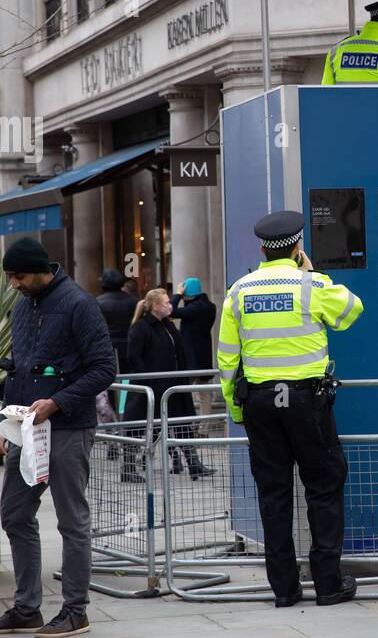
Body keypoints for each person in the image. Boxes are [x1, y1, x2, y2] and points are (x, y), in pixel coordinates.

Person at [217, 209, 363, 607]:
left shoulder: (239, 291)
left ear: (262, 248)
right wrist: (315, 274)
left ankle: (284, 588)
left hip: (261, 405)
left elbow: (227, 361)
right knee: (324, 486)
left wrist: (236, 410)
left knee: (273, 493)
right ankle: (328, 583)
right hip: (308, 402)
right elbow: (353, 311)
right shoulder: (312, 284)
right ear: (298, 247)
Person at [0, 237, 115, 638]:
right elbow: (18, 367)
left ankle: (75, 610)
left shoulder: (79, 304)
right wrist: (6, 423)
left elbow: (104, 368)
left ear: (40, 269)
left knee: (71, 521)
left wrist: (58, 402)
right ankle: (27, 608)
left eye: (19, 276)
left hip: (68, 426)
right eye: (10, 277)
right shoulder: (24, 304)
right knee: (14, 514)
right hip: (25, 430)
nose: (13, 283)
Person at [122, 288, 215, 483]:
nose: (170, 306)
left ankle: (193, 463)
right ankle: (128, 467)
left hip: (173, 387)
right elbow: (134, 358)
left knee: (182, 424)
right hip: (151, 389)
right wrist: (148, 382)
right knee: (143, 428)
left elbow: (176, 352)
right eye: (166, 303)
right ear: (155, 306)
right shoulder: (141, 328)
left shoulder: (168, 326)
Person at [171, 277, 217, 425]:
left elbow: (171, 310)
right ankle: (203, 428)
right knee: (204, 395)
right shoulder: (210, 306)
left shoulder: (194, 308)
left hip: (190, 357)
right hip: (204, 355)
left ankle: (188, 425)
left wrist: (177, 295)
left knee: (183, 393)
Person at [96, 269, 137, 375]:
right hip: (130, 345)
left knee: (109, 378)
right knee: (127, 378)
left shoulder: (98, 302)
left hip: (107, 347)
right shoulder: (133, 301)